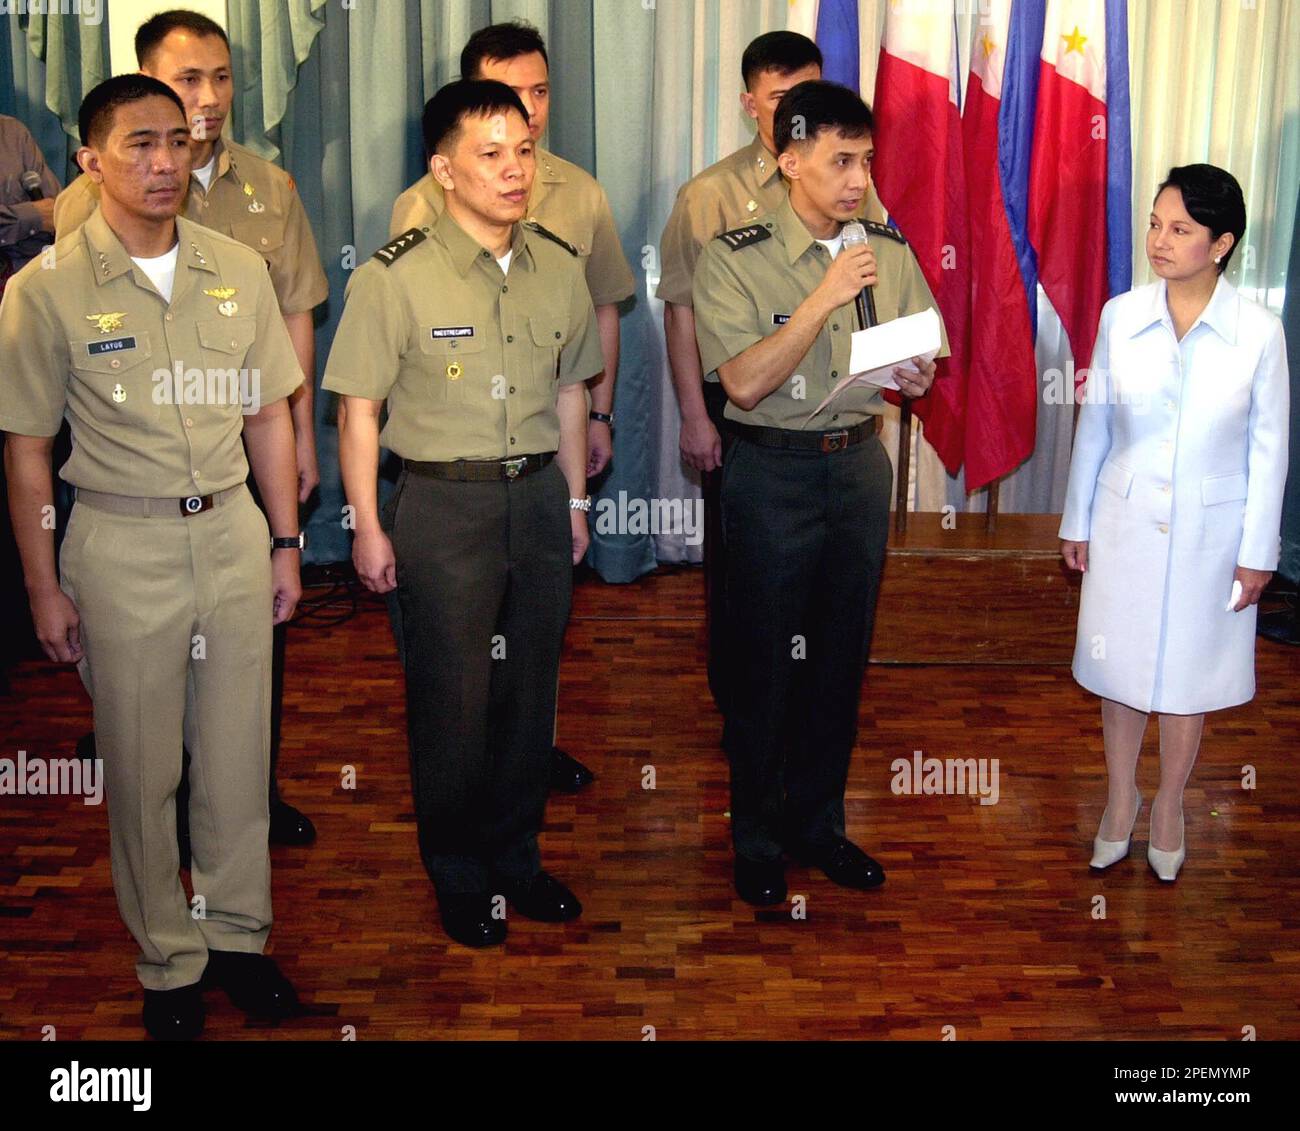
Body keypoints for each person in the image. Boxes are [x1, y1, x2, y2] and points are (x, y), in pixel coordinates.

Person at [0, 74, 305, 1039]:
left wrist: (287, 544)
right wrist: (44, 586)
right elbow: (25, 448)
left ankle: (238, 938)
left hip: (230, 532)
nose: (164, 160)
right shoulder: (41, 291)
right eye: (138, 144)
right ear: (90, 161)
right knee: (141, 772)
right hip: (120, 542)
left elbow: (267, 415)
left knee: (235, 759)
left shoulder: (237, 268)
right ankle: (167, 960)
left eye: (177, 139)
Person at [326, 80, 604, 948]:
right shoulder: (394, 276)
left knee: (529, 695)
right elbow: (358, 409)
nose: (514, 170)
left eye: (522, 150)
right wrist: (368, 524)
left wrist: (575, 499)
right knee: (452, 702)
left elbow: (569, 389)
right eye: (490, 154)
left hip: (534, 498)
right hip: (441, 505)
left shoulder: (559, 265)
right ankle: (458, 871)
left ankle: (517, 858)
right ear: (444, 170)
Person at [54, 8, 328, 847]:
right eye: (186, 81)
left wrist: (302, 432)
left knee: (249, 656)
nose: (207, 99)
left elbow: (295, 315)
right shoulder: (83, 203)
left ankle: (248, 792)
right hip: (133, 474)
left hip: (240, 456)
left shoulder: (268, 187)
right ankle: (161, 801)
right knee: (147, 666)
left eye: (220, 78)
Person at [692, 80, 944, 906]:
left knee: (838, 660)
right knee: (764, 664)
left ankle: (819, 825)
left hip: (857, 468)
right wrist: (821, 300)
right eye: (840, 161)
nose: (857, 180)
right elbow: (744, 382)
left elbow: (919, 352)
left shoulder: (886, 248)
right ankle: (757, 837)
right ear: (788, 159)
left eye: (865, 161)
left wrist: (912, 370)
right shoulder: (734, 256)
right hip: (770, 471)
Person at [391, 20, 634, 795]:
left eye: (538, 95)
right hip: (454, 467)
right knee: (457, 654)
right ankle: (467, 788)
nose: (525, 117)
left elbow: (599, 314)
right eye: (507, 97)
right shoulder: (421, 205)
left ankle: (525, 760)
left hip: (543, 446)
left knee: (533, 639)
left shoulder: (578, 193)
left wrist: (598, 418)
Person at [1060, 164, 1289, 882]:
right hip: (1124, 520)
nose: (1159, 240)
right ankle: (1120, 798)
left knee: (1188, 674)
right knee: (1122, 670)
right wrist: (1077, 521)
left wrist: (1259, 552)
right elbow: (1094, 426)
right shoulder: (1121, 315)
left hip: (1213, 538)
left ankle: (1170, 804)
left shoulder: (1259, 331)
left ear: (1220, 244)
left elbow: (1270, 448)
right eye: (1156, 223)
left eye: (1181, 229)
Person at [658, 31, 883, 714]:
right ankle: (743, 711)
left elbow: (869, 278)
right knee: (742, 574)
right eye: (785, 99)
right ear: (750, 103)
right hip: (742, 402)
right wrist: (696, 417)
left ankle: (807, 714)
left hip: (827, 399)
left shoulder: (847, 182)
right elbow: (681, 311)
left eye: (811, 95)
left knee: (825, 589)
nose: (801, 112)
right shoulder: (710, 195)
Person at [1, 114, 63, 684]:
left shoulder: (11, 133)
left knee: (29, 466)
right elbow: (35, 217)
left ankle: (30, 614)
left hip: (20, 337)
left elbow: (60, 215)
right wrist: (27, 219)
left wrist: (23, 219)